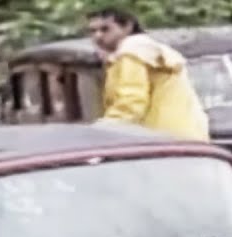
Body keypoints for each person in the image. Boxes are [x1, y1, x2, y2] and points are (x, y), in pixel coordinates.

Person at [86, 7, 210, 142]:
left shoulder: (132, 50)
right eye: (92, 31)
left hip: (165, 138)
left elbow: (131, 103)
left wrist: (100, 131)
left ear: (127, 27)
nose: (98, 36)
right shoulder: (142, 48)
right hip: (184, 136)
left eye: (105, 29)